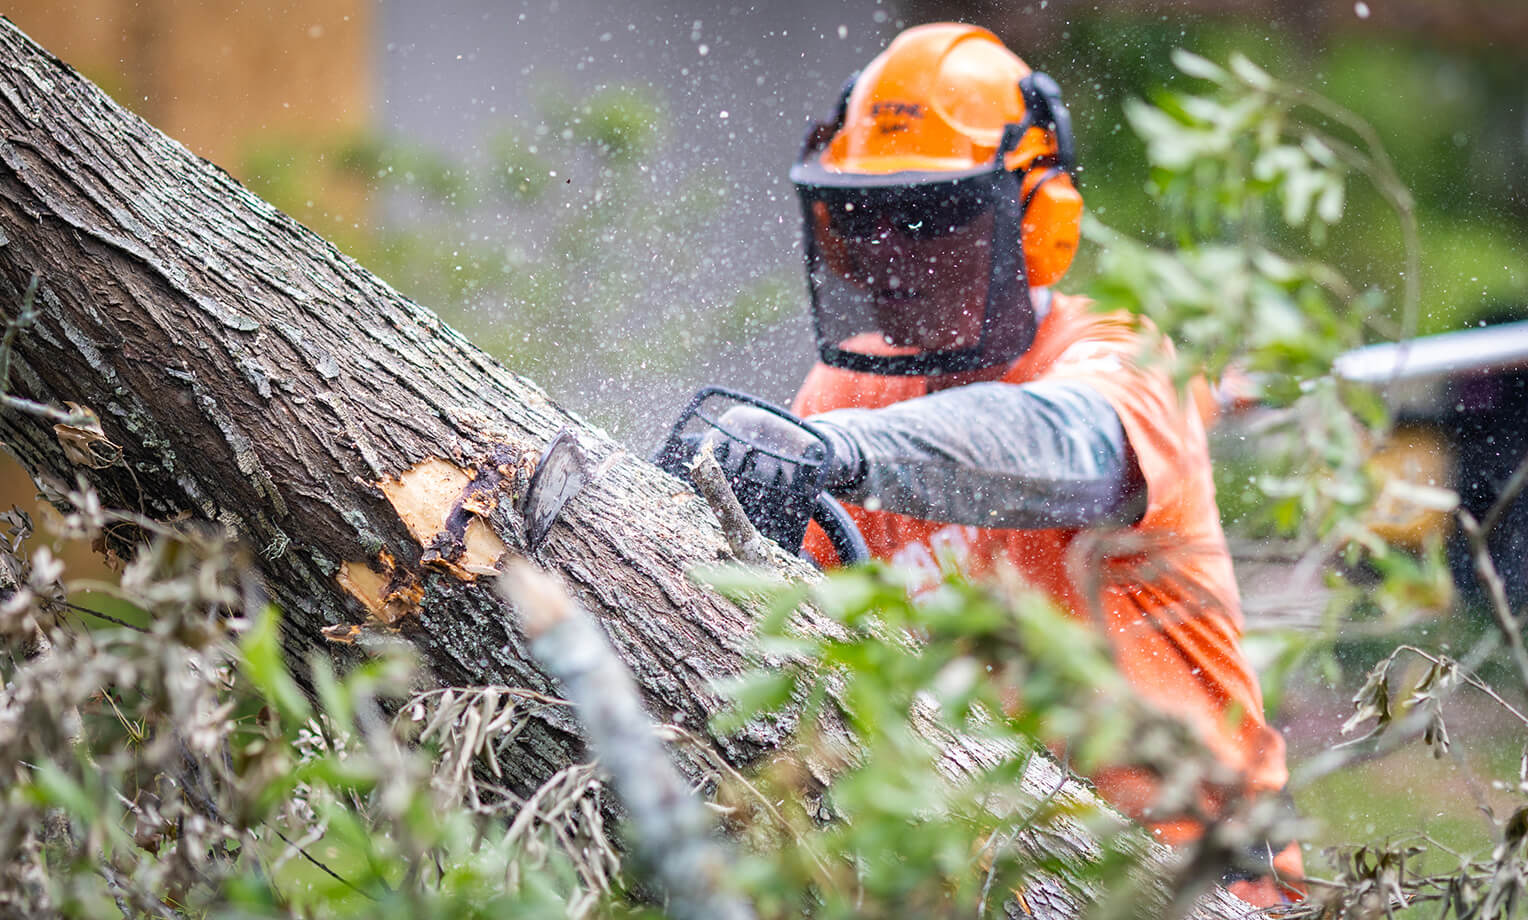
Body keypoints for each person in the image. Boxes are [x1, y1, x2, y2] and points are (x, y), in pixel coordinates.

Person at [720, 22, 1304, 906]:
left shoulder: (1121, 355)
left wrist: (844, 455)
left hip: (1202, 883)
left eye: (927, 218)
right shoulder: (839, 395)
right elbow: (787, 633)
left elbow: (1068, 445)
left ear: (1033, 218)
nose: (890, 257)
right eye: (867, 222)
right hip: (992, 883)